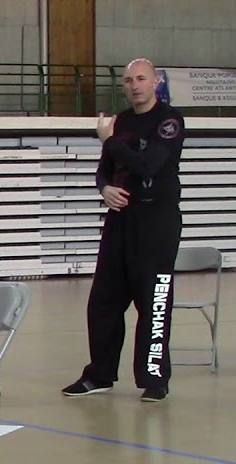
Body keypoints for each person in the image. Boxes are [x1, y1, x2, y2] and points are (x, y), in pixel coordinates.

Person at [62, 58, 186, 403]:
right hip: (120, 220)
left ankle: (154, 378)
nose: (134, 85)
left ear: (156, 82)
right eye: (129, 80)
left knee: (154, 301)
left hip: (156, 221)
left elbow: (149, 165)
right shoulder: (121, 122)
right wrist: (104, 189)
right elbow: (105, 170)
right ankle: (99, 374)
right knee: (103, 301)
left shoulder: (169, 121)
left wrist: (110, 140)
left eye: (141, 78)